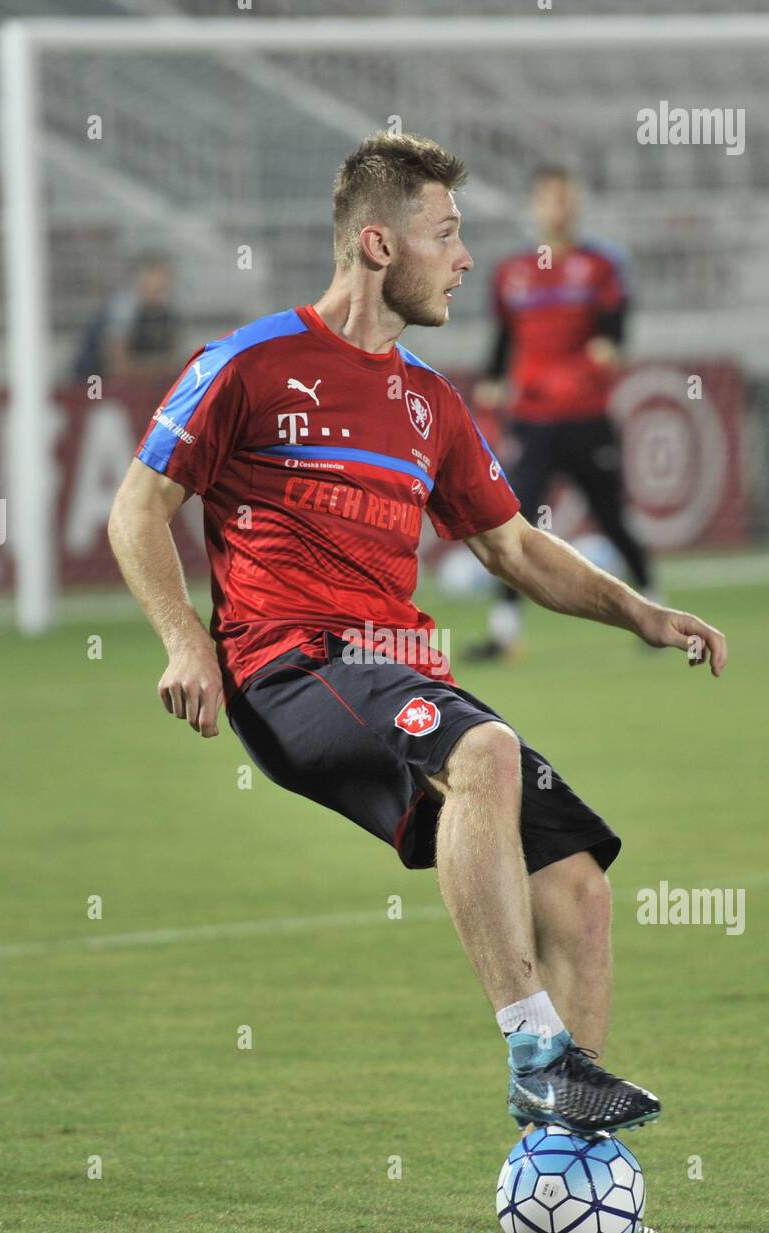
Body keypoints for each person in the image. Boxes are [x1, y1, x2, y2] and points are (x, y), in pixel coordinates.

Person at [108, 134, 727, 1137]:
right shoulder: (248, 365)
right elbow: (139, 508)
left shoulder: (429, 403)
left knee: (573, 887)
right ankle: (535, 1053)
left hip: (395, 667)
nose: (467, 258)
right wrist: (185, 640)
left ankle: (562, 1162)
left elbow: (514, 548)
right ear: (377, 246)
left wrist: (639, 611)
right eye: (445, 234)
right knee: (483, 749)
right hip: (288, 664)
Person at [467, 166, 653, 662]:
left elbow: (613, 342)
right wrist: (490, 389)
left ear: (577, 205)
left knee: (612, 518)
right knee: (510, 521)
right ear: (535, 206)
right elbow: (503, 345)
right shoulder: (512, 273)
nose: (560, 208)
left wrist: (574, 372)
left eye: (567, 199)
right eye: (551, 199)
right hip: (533, 422)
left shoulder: (601, 266)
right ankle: (505, 633)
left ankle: (654, 610)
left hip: (586, 417)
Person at [72, 251, 178, 383]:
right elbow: (118, 367)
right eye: (156, 280)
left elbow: (172, 360)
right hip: (91, 383)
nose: (162, 286)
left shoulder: (164, 310)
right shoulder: (123, 308)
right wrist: (155, 368)